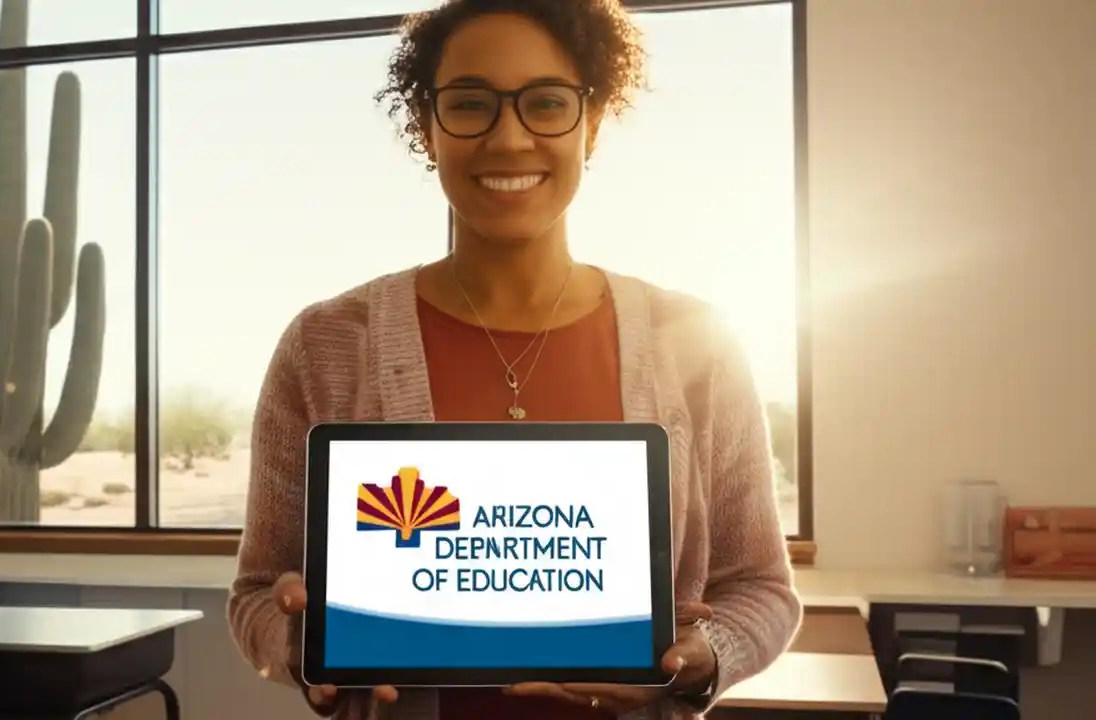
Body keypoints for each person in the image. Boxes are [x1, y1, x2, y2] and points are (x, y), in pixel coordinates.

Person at [226, 0, 803, 718]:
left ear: (591, 124)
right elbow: (256, 597)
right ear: (426, 129)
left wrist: (699, 658)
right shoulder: (325, 343)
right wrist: (303, 639)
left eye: (546, 103)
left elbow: (763, 591)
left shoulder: (696, 340)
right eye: (469, 104)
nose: (508, 137)